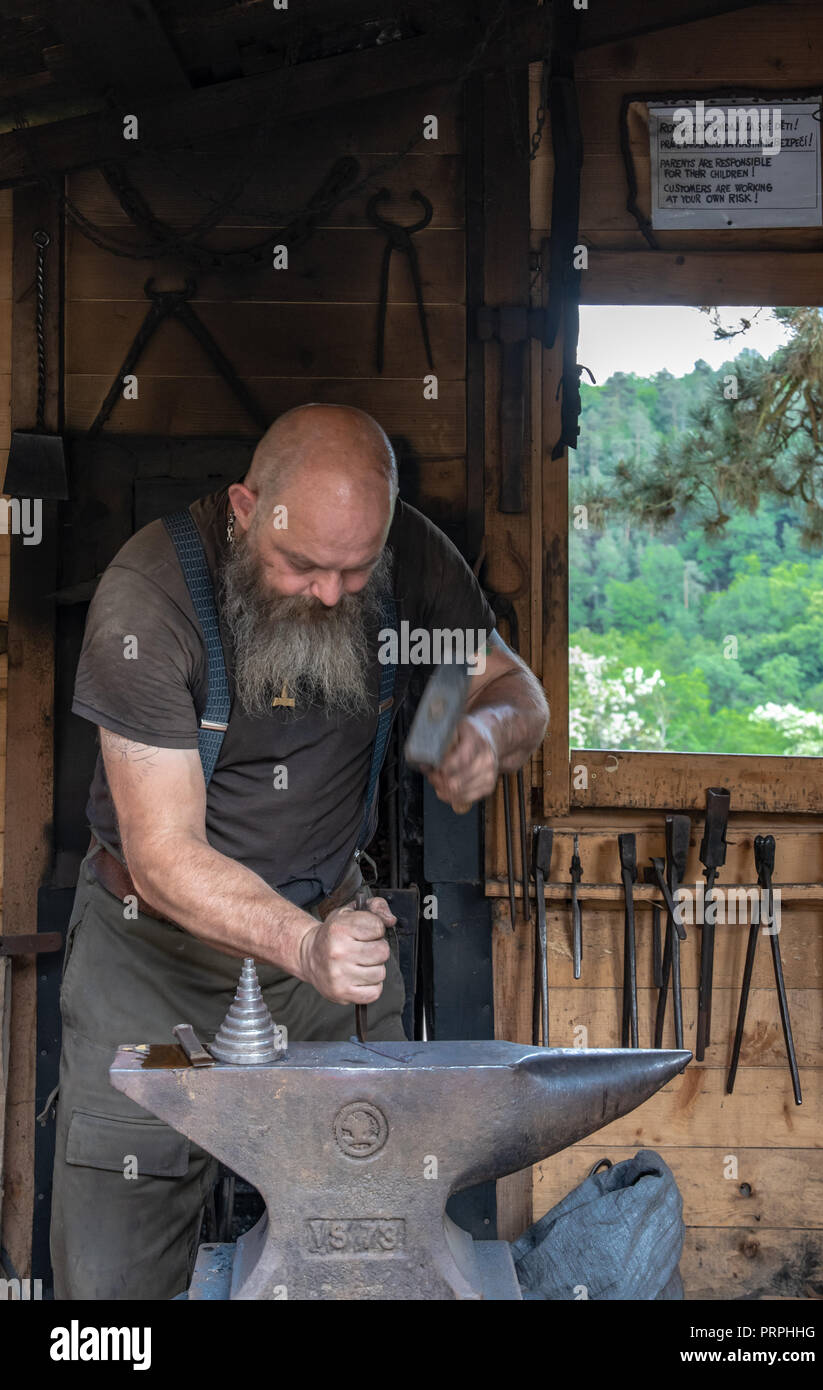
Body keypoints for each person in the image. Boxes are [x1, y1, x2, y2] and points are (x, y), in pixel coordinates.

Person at [49, 403, 549, 1299]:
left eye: (355, 571)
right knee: (114, 1265)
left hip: (330, 953)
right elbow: (163, 856)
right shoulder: (150, 596)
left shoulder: (405, 560)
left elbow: (514, 688)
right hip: (153, 960)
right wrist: (302, 946)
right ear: (246, 510)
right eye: (304, 566)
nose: (330, 593)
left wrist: (480, 731)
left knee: (376, 1220)